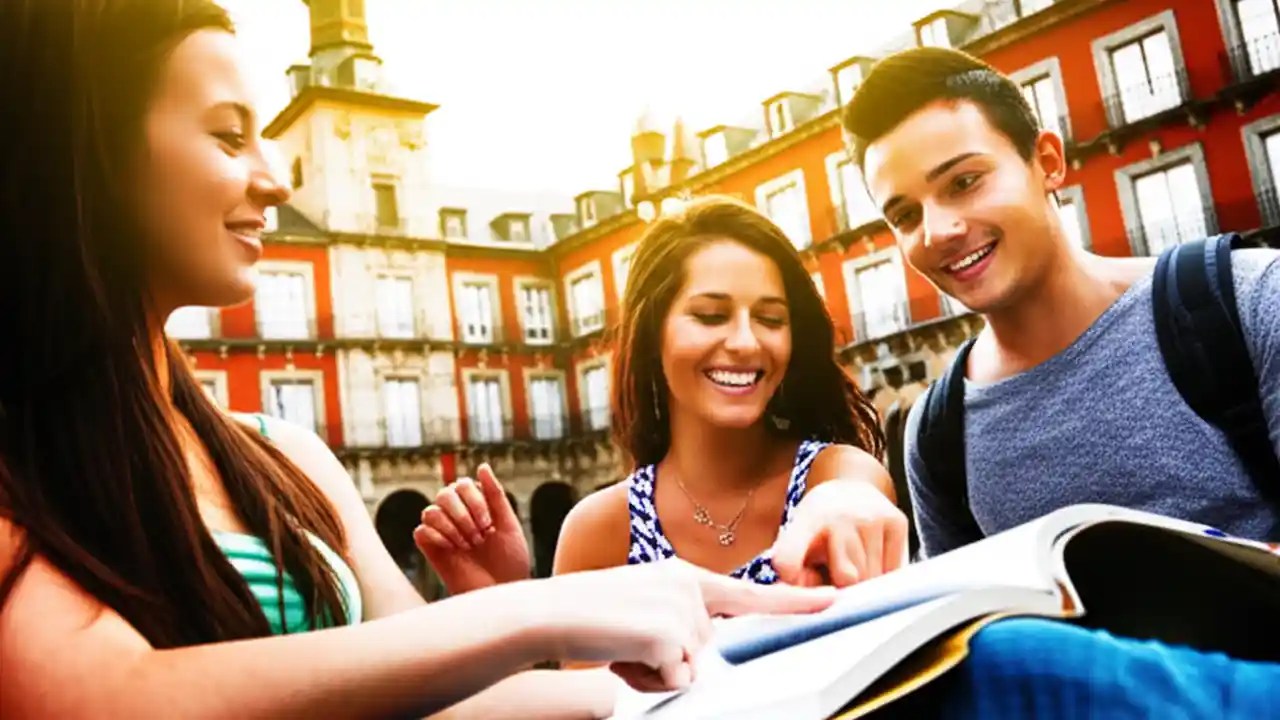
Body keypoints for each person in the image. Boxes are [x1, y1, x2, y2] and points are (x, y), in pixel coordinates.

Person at [0, 3, 839, 718]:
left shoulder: (288, 460)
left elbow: (440, 702)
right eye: (228, 137)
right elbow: (104, 699)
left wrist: (722, 681)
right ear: (90, 149)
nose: (277, 182)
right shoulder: (19, 467)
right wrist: (542, 610)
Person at [837, 46, 1280, 719]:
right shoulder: (937, 430)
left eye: (964, 181)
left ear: (1047, 160)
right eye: (903, 215)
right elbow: (954, 644)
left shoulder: (1248, 299)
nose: (938, 231)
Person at [418, 197, 910, 596]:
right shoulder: (598, 530)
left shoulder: (833, 473)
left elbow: (854, 494)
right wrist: (507, 605)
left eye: (770, 319)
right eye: (711, 316)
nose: (746, 341)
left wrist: (846, 501)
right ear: (654, 334)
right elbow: (580, 690)